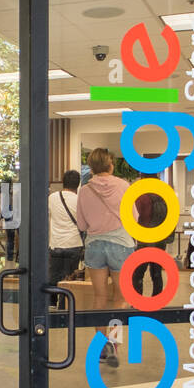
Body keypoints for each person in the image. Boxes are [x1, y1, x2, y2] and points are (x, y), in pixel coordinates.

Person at [75, 147, 134, 368]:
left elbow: (81, 224)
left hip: (95, 245)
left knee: (100, 297)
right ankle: (114, 342)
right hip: (120, 244)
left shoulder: (85, 190)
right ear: (110, 165)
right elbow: (133, 218)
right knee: (121, 298)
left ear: (91, 167)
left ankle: (102, 345)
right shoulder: (124, 186)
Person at [48, 170, 84, 293]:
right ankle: (64, 306)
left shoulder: (52, 198)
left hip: (55, 243)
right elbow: (83, 224)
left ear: (63, 182)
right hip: (74, 244)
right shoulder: (79, 200)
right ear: (78, 184)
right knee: (69, 279)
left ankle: (51, 303)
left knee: (53, 276)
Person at [132, 187, 171, 298]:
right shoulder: (164, 198)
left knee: (138, 274)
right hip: (160, 240)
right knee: (156, 273)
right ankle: (157, 300)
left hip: (144, 240)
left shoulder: (142, 198)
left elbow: (136, 217)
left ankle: (138, 301)